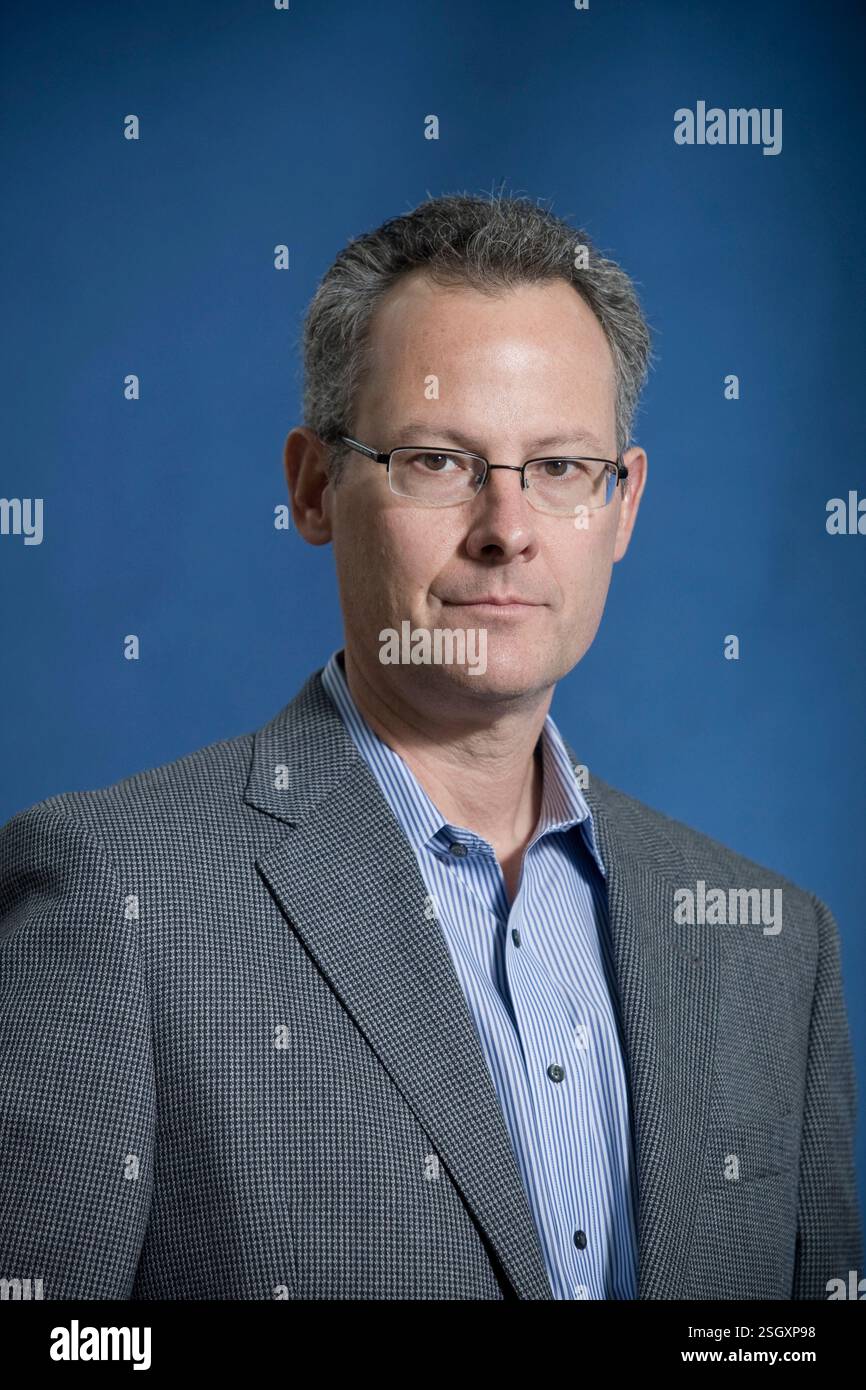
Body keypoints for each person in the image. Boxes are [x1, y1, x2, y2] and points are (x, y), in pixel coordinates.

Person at [0, 193, 860, 1300]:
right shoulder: (112, 896)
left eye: (557, 467)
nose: (505, 529)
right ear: (313, 488)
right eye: (437, 461)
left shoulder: (773, 949)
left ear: (622, 504)